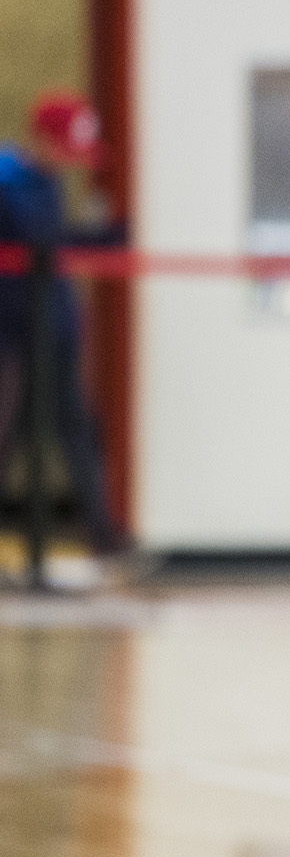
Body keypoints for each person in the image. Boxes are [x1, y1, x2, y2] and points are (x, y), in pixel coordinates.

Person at [0, 90, 124, 557]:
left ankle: (103, 538)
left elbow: (53, 244)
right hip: (9, 332)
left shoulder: (46, 183)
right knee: (5, 433)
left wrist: (102, 238)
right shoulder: (8, 178)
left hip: (54, 325)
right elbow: (40, 242)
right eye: (68, 150)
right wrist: (91, 240)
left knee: (75, 426)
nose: (72, 162)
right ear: (42, 139)